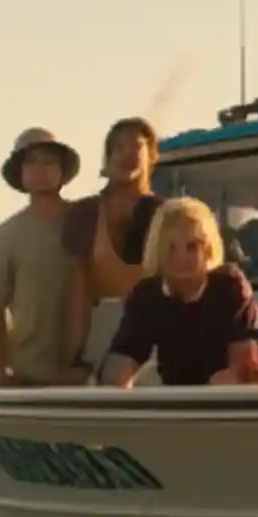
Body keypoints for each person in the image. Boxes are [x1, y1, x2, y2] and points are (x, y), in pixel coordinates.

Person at [102, 197, 258, 387]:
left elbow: (244, 371)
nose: (182, 258)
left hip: (233, 398)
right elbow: (122, 360)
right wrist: (114, 383)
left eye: (192, 246)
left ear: (207, 249)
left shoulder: (229, 287)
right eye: (171, 247)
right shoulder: (147, 296)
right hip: (180, 398)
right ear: (158, 250)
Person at [0, 128, 88, 388]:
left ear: (62, 170)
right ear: (20, 172)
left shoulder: (87, 220)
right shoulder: (4, 236)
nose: (39, 169)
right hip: (30, 372)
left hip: (87, 370)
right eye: (30, 162)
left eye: (48, 161)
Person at [60, 118, 164, 377]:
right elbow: (77, 296)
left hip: (157, 347)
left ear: (152, 157)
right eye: (118, 148)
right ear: (107, 159)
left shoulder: (166, 213)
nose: (127, 154)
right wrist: (72, 360)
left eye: (136, 147)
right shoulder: (85, 213)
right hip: (99, 344)